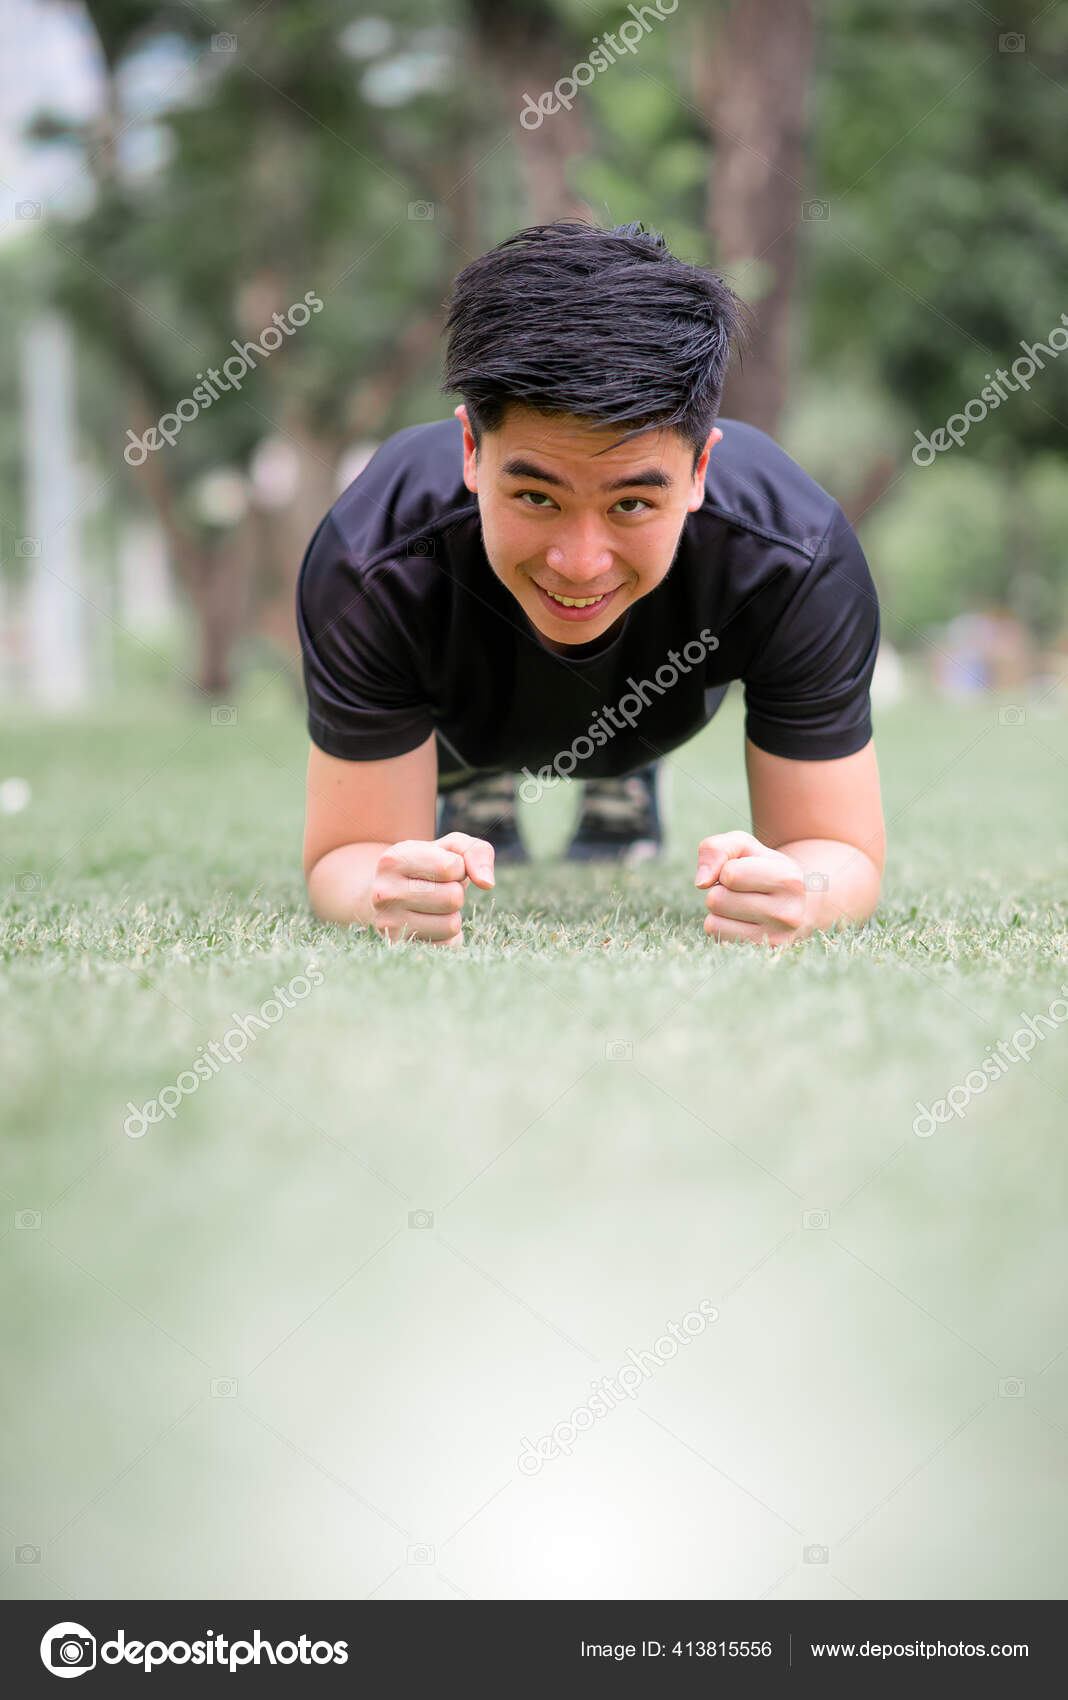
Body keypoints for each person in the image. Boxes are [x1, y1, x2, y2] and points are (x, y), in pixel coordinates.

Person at [298, 220, 885, 949]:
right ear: (471, 451)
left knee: (621, 709)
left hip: (654, 700)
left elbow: (839, 850)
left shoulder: (795, 556)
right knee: (455, 744)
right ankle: (468, 778)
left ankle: (623, 775)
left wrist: (804, 891)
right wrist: (384, 887)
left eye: (631, 504)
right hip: (463, 707)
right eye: (537, 497)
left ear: (702, 470)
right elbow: (346, 856)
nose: (580, 562)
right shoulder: (371, 556)